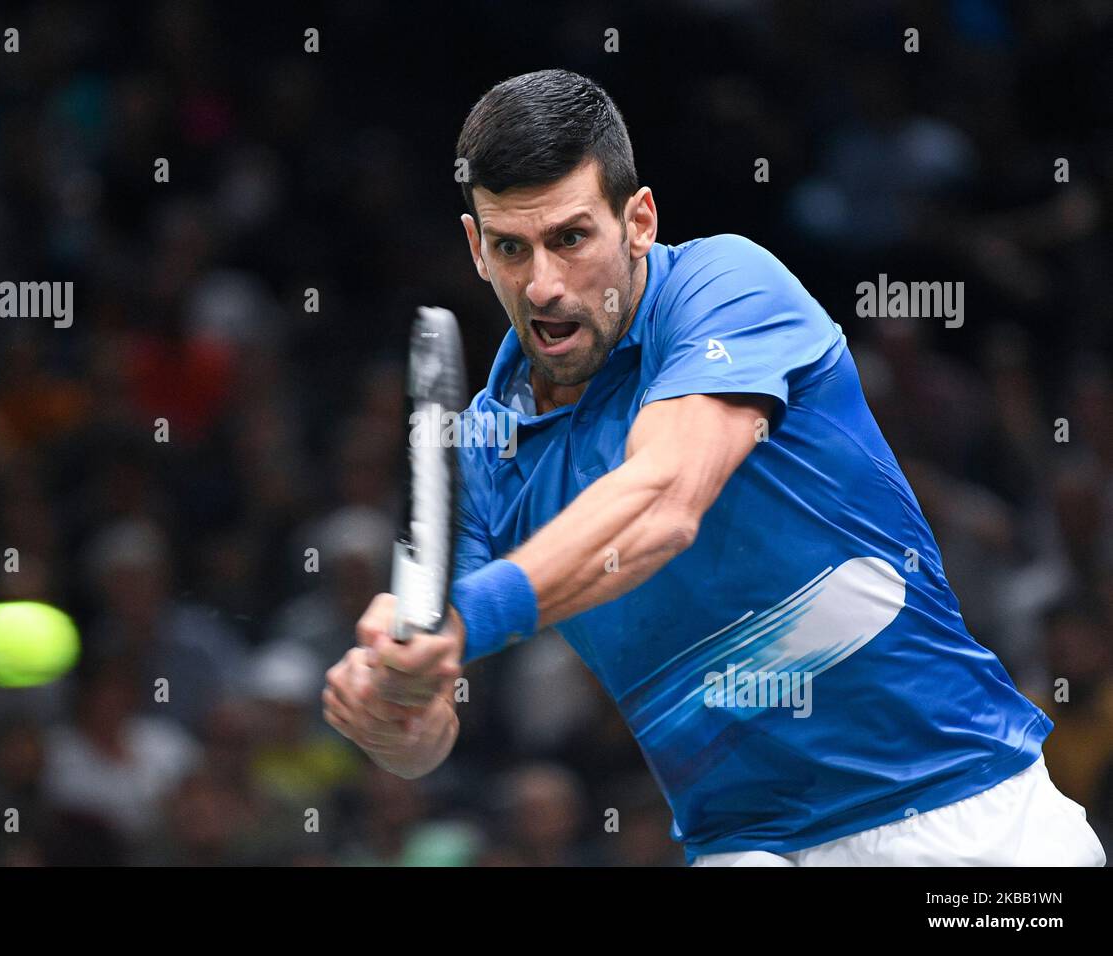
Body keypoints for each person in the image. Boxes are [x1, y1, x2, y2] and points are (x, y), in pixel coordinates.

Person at [322, 69, 1106, 866]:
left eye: (570, 237)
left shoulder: (726, 286)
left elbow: (662, 502)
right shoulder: (484, 455)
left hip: (964, 816)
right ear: (475, 248)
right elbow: (426, 735)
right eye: (510, 249)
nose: (544, 286)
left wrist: (464, 620)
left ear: (639, 220)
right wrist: (398, 700)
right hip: (745, 848)